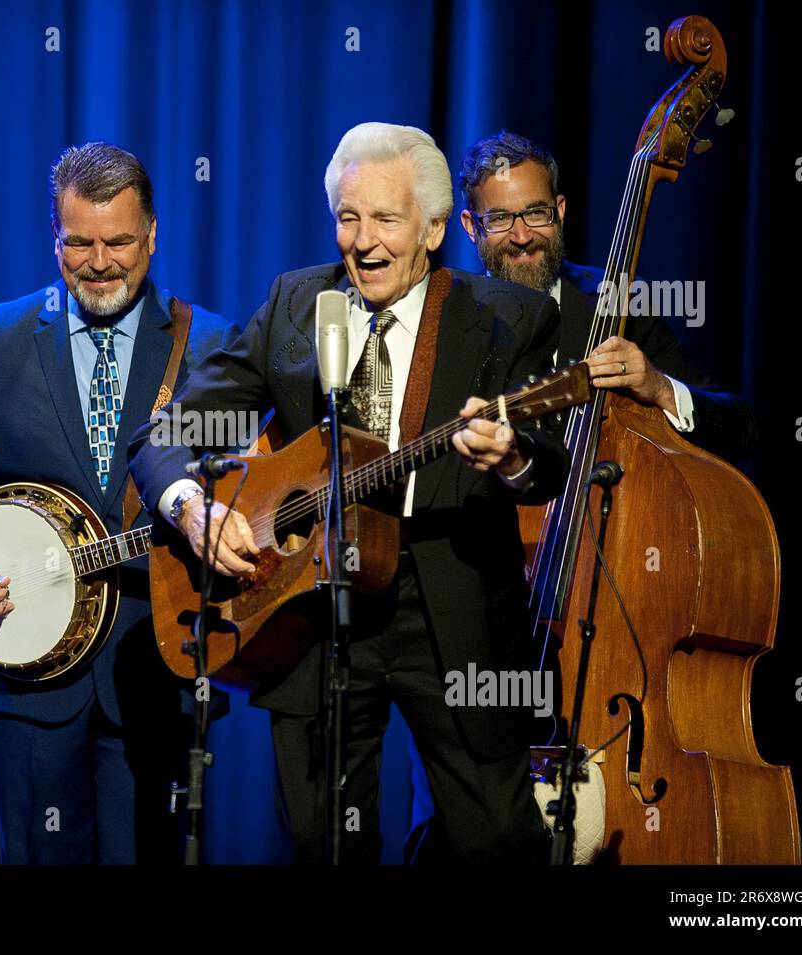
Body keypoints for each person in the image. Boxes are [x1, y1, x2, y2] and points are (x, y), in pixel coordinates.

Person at [128, 122, 569, 863]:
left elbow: (548, 463)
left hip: (449, 608)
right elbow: (166, 434)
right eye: (347, 217)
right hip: (309, 607)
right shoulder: (297, 304)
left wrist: (511, 455)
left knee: (494, 839)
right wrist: (191, 508)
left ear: (434, 229)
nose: (362, 242)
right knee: (319, 839)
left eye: (386, 220)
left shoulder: (507, 316)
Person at [0, 142, 240, 863]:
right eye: (78, 243)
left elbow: (243, 487)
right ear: (55, 238)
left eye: (119, 242)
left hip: (159, 668)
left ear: (153, 235)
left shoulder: (209, 344)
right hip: (31, 678)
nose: (101, 262)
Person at [456, 130, 757, 463]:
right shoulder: (451, 319)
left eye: (537, 213)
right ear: (471, 227)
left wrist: (659, 387)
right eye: (500, 219)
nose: (523, 235)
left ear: (559, 210)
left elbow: (740, 428)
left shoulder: (621, 301)